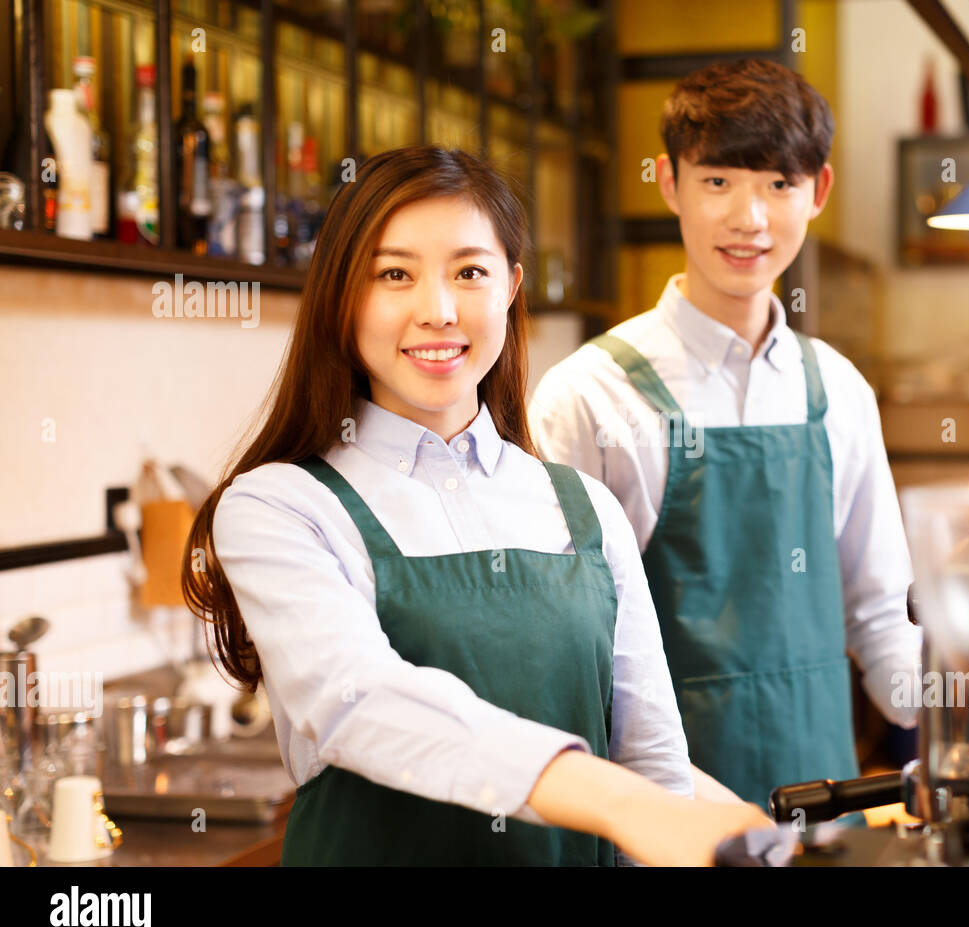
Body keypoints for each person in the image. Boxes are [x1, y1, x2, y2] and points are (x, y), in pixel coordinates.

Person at [181, 146, 771, 866]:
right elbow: (359, 702)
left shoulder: (583, 508)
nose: (438, 310)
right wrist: (615, 801)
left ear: (511, 288)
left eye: (469, 273)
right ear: (342, 295)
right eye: (394, 274)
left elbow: (651, 761)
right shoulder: (281, 508)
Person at [528, 59, 923, 808]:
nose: (751, 219)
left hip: (826, 812)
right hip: (657, 823)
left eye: (780, 184)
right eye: (718, 182)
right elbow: (565, 654)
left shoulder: (838, 390)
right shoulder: (587, 397)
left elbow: (877, 614)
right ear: (668, 182)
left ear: (819, 193)